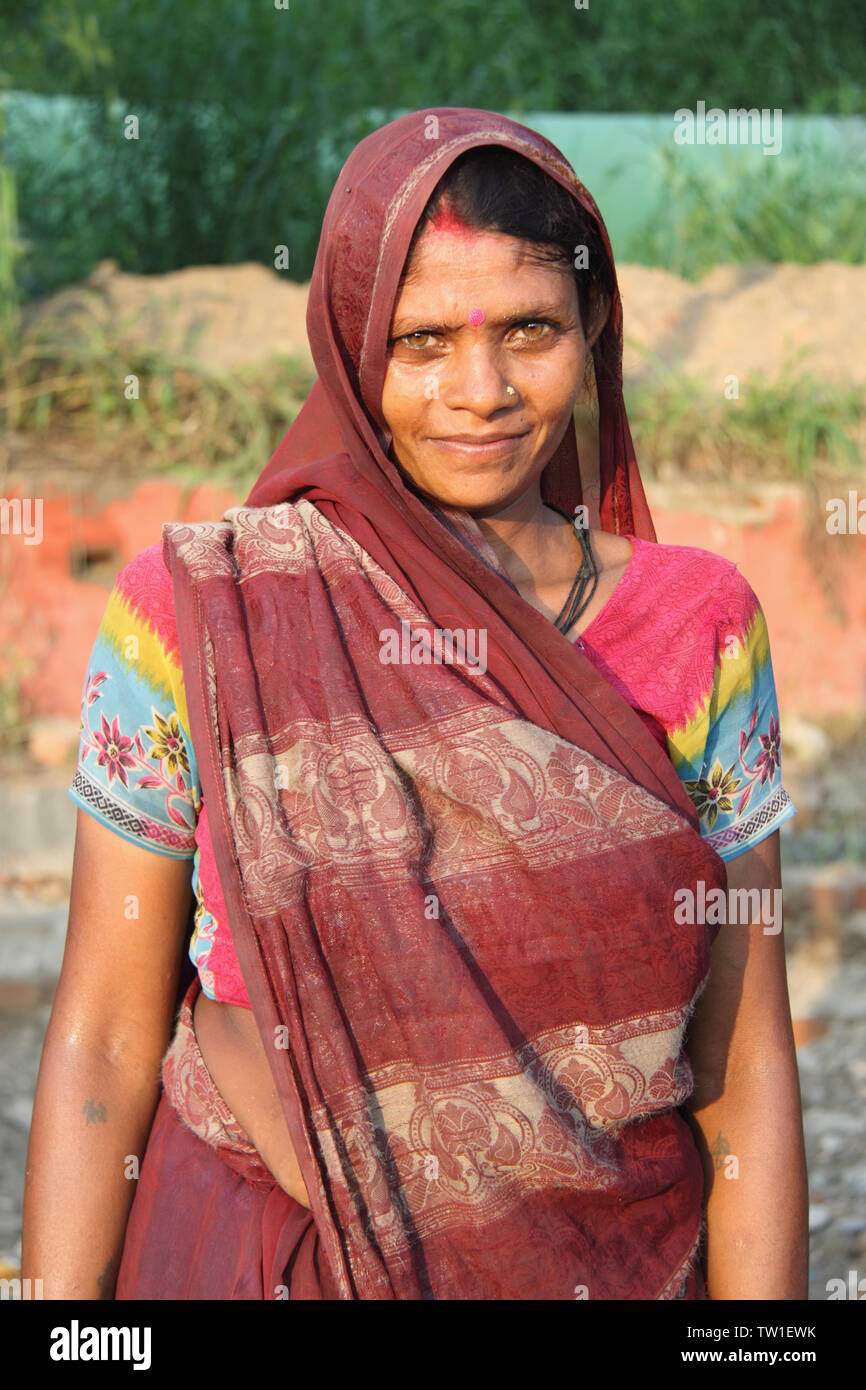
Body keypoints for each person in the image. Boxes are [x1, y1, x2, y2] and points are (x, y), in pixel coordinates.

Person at [21, 107, 808, 1301]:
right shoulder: (205, 613)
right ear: (348, 346)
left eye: (530, 330)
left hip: (613, 1264)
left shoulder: (696, 627)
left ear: (594, 326)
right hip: (272, 1251)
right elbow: (108, 1035)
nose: (478, 391)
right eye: (421, 340)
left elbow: (739, 1050)